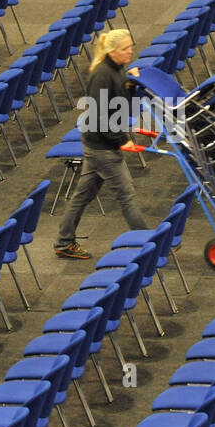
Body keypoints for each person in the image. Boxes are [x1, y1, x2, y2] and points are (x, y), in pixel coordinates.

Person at [54, 28, 150, 260]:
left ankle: (64, 241)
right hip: (101, 147)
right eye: (125, 49)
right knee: (127, 195)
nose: (130, 51)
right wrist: (122, 140)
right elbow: (99, 116)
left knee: (83, 195)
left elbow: (121, 103)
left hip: (100, 143)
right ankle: (150, 244)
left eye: (130, 47)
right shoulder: (102, 75)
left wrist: (131, 83)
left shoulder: (117, 70)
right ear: (113, 51)